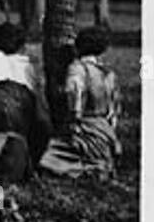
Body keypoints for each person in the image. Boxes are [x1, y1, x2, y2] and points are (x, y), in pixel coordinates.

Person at [39, 27, 122, 178]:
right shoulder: (108, 73)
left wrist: (73, 124)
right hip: (105, 133)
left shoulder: (77, 69)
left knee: (44, 160)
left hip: (84, 130)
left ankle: (88, 167)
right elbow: (113, 112)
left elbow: (74, 99)